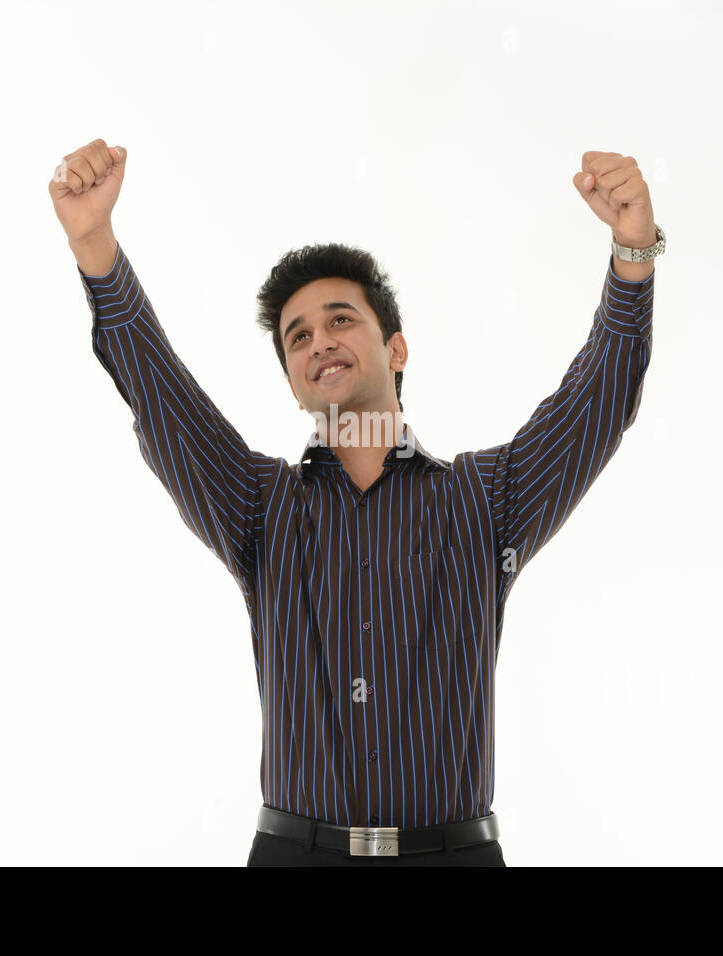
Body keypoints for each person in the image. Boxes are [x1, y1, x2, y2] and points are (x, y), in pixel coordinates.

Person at [48, 139, 664, 866]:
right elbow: (165, 401)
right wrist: (95, 245)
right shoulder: (258, 507)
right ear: (293, 382)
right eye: (298, 335)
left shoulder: (484, 501)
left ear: (396, 349)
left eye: (341, 319)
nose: (319, 342)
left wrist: (633, 253)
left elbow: (596, 404)